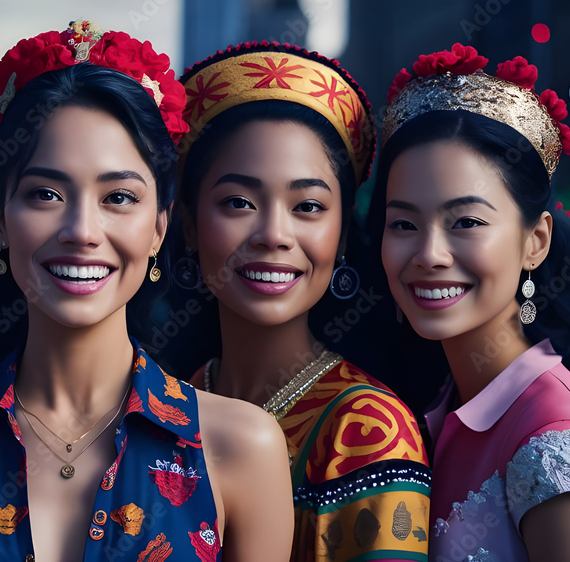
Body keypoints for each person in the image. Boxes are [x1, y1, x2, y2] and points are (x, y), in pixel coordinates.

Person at [0, 21, 294, 561]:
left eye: (118, 197)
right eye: (46, 194)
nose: (82, 231)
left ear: (159, 228)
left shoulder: (241, 447)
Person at [181, 42, 432, 561]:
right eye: (238, 202)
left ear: (341, 237)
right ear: (187, 225)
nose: (274, 235)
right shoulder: (173, 397)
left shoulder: (368, 429)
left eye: (308, 206)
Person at [374, 43, 570, 561]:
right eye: (403, 224)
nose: (429, 254)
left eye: (466, 222)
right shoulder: (440, 400)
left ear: (535, 241)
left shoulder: (555, 432)